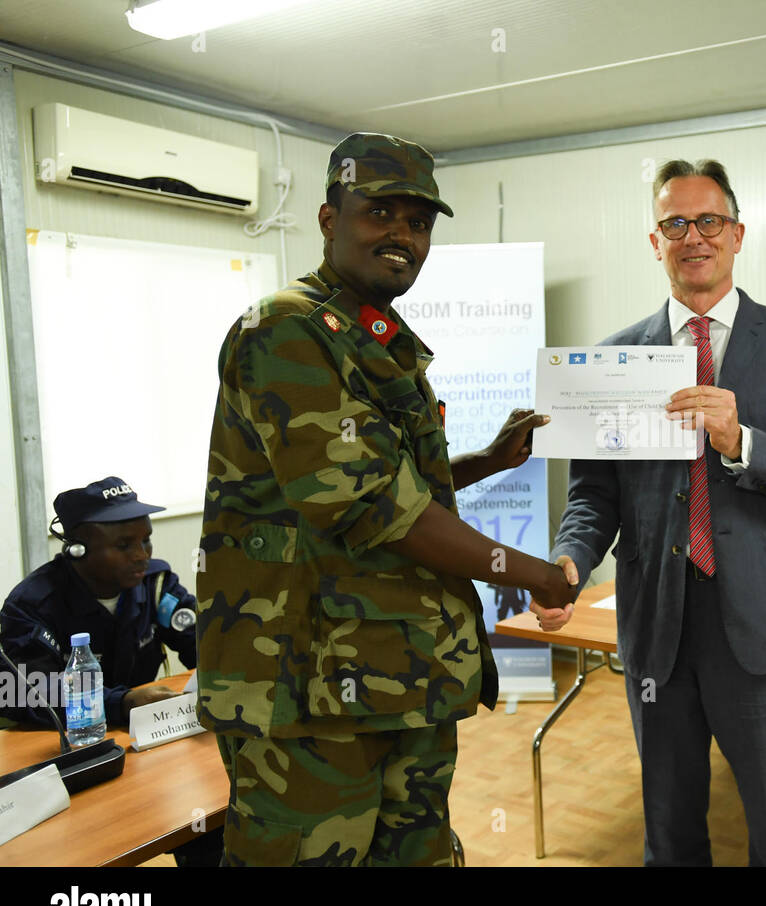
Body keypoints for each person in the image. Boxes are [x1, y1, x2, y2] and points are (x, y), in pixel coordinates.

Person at [197, 132, 577, 866]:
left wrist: (485, 461)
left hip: (396, 674)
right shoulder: (286, 328)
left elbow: (388, 481)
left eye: (420, 221)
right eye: (380, 213)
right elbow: (369, 506)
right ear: (329, 219)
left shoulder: (376, 335)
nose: (403, 236)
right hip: (305, 689)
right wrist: (535, 575)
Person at [533, 160, 766, 865]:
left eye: (708, 220)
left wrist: (745, 442)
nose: (693, 236)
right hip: (656, 627)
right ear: (655, 243)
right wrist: (570, 561)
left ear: (737, 234)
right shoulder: (617, 358)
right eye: (674, 223)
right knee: (670, 831)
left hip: (762, 627)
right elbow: (594, 493)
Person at [1, 476, 222, 866]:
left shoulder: (155, 583)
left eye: (145, 540)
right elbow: (27, 696)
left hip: (149, 751)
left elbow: (204, 648)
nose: (141, 554)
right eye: (124, 545)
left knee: (209, 823)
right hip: (75, 761)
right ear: (78, 549)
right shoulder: (32, 605)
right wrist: (122, 701)